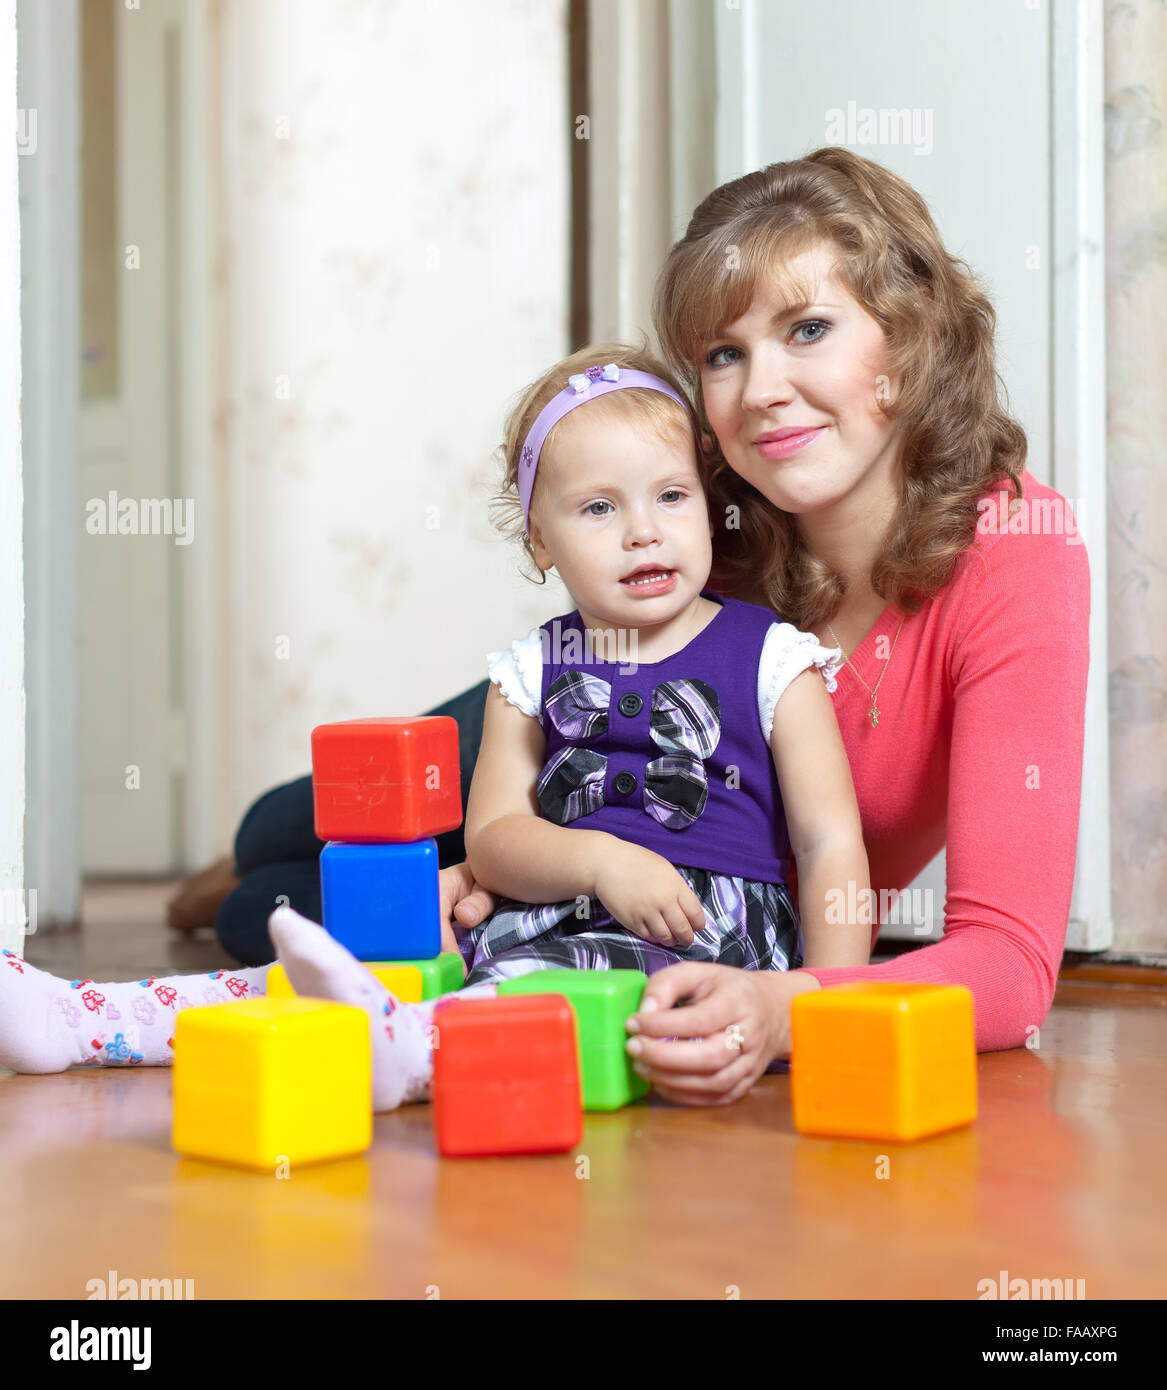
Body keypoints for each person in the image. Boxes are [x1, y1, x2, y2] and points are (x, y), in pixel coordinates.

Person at [170, 144, 1087, 1105]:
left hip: (703, 908)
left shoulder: (1018, 549)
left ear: (910, 339)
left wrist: (793, 1004)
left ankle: (231, 892)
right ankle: (237, 869)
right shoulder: (694, 532)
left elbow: (1011, 966)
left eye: (806, 329)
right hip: (574, 744)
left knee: (259, 907)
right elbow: (547, 808)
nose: (760, 388)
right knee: (281, 827)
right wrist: (492, 873)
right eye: (723, 355)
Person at [0, 338, 871, 1109]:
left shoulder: (771, 658)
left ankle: (409, 1048)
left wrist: (818, 1005)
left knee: (548, 995)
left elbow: (830, 840)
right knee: (345, 972)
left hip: (698, 942)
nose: (643, 532)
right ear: (539, 539)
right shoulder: (530, 671)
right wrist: (601, 860)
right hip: (535, 912)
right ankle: (89, 1021)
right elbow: (491, 837)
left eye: (671, 497)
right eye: (599, 508)